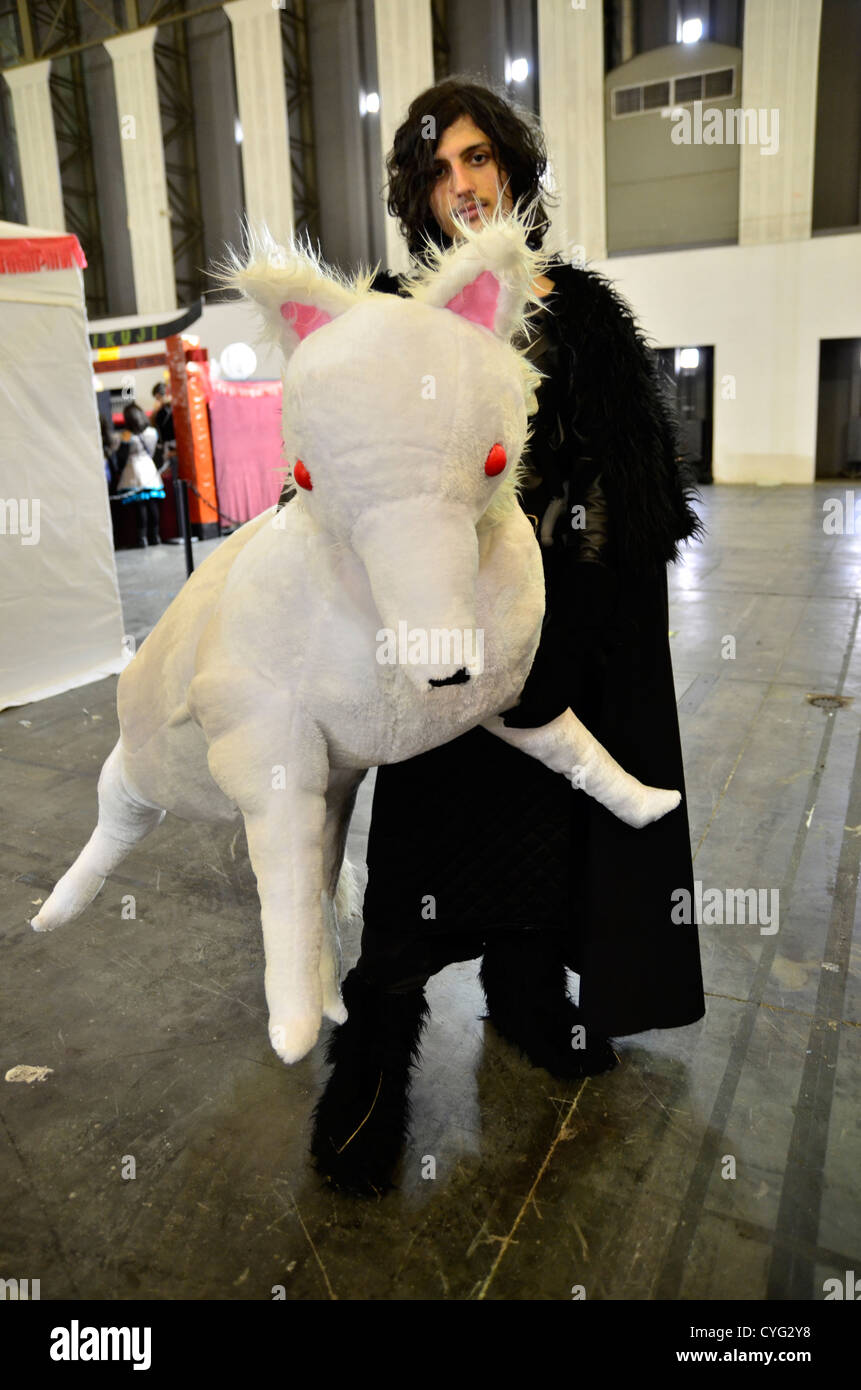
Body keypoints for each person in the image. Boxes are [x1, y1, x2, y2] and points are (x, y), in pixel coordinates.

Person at [304, 77, 706, 1196]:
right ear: (417, 199)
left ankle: (530, 1002)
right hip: (433, 660)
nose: (462, 184)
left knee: (545, 849)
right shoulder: (395, 314)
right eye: (438, 171)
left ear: (515, 168)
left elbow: (639, 488)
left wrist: (565, 613)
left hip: (550, 649)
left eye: (478, 159)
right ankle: (372, 1073)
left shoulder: (578, 310)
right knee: (410, 878)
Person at [115, 402, 165, 547]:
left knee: (141, 506)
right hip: (150, 468)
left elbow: (121, 457)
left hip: (134, 471)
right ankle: (155, 536)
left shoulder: (127, 435)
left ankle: (142, 538)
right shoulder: (152, 432)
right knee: (153, 504)